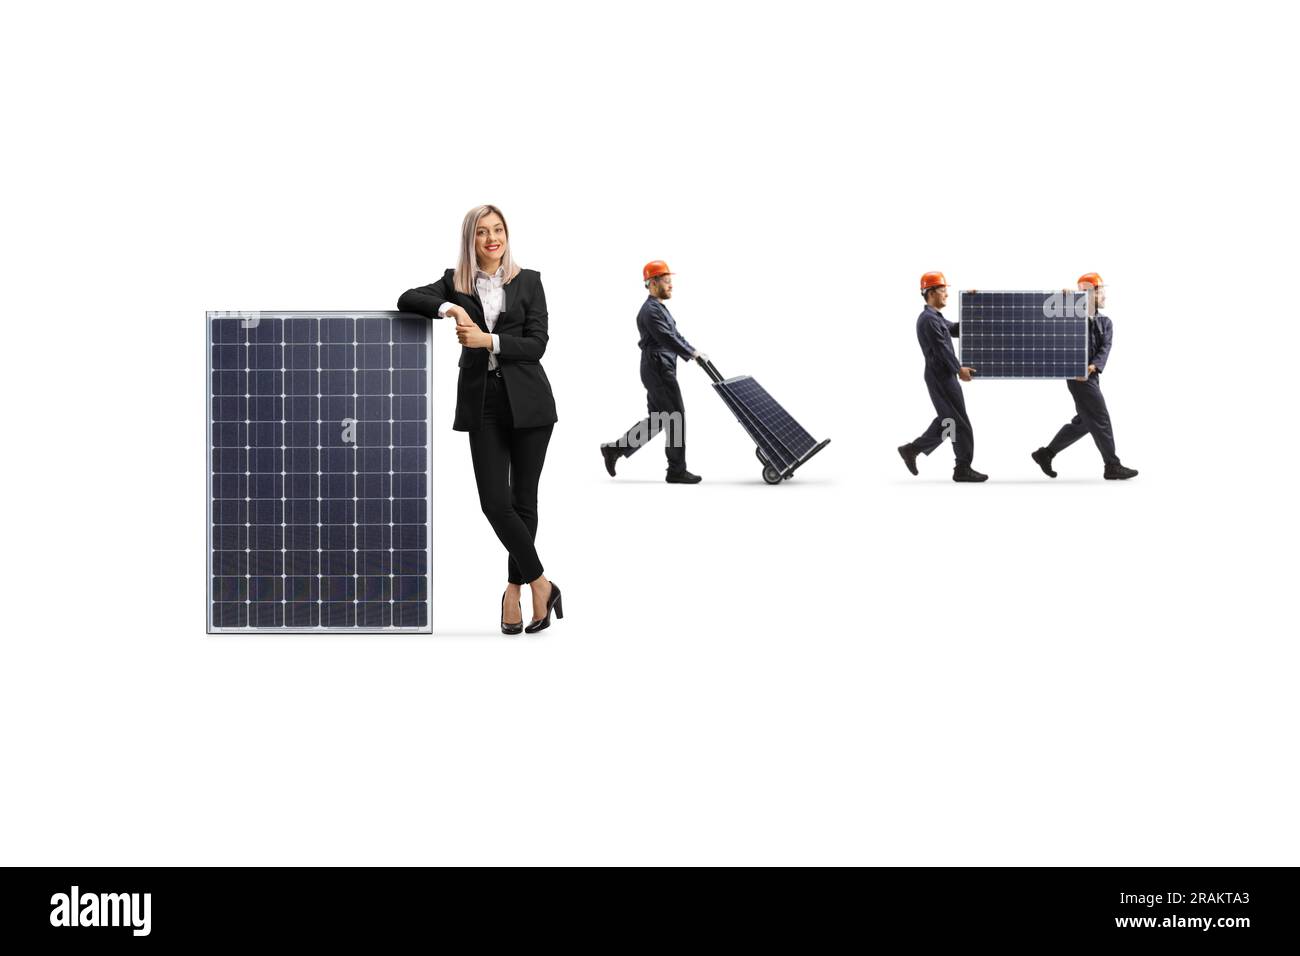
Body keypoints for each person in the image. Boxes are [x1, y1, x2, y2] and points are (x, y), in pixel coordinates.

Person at [397, 204, 563, 634]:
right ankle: (542, 583)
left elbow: (537, 344)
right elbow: (407, 299)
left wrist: (487, 339)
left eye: (499, 229)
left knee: (524, 502)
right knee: (495, 504)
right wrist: (450, 310)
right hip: (483, 402)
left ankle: (514, 590)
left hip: (530, 404)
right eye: (482, 232)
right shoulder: (455, 282)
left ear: (507, 234)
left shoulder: (530, 281)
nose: (492, 238)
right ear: (470, 240)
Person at [601, 260, 705, 483]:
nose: (671, 285)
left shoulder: (659, 308)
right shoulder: (649, 311)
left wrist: (694, 351)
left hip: (660, 366)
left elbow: (676, 335)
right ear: (652, 282)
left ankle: (615, 449)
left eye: (670, 281)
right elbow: (666, 338)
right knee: (675, 416)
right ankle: (676, 471)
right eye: (666, 281)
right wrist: (692, 354)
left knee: (659, 419)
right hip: (657, 368)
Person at [1031, 273, 1138, 480]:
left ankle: (1046, 453)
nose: (1104, 295)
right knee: (1100, 418)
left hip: (1091, 376)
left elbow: (1105, 348)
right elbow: (1051, 329)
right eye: (1099, 291)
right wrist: (1065, 303)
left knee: (1086, 421)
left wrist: (1093, 366)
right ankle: (1112, 465)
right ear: (1088, 294)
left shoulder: (1106, 322)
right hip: (1077, 378)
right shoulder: (1071, 316)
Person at [898, 271, 988, 482]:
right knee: (958, 422)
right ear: (930, 292)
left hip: (943, 375)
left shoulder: (935, 317)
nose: (947, 294)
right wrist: (959, 369)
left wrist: (973, 306)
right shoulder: (928, 320)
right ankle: (962, 467)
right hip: (940, 376)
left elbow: (955, 329)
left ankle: (912, 449)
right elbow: (941, 350)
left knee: (948, 420)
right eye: (943, 290)